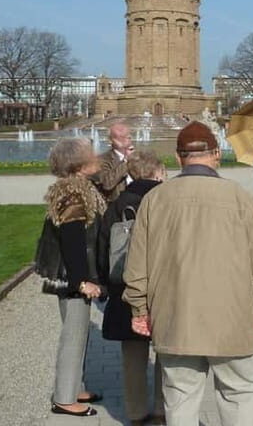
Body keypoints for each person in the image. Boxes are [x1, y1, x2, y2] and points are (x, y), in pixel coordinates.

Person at [123, 121, 253, 426]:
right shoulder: (240, 197)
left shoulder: (155, 199)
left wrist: (139, 308)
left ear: (179, 158)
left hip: (175, 314)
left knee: (180, 395)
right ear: (216, 154)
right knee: (240, 392)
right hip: (232, 315)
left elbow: (137, 264)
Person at [98, 150, 168, 425]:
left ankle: (136, 413)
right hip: (162, 285)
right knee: (166, 353)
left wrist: (106, 282)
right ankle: (163, 409)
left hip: (126, 286)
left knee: (133, 356)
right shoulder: (165, 200)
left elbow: (104, 247)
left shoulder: (118, 203)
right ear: (157, 173)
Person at [44, 137, 107, 417]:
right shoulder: (73, 192)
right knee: (74, 334)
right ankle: (64, 398)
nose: (97, 157)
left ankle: (75, 386)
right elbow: (72, 239)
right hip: (72, 275)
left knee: (79, 333)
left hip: (72, 273)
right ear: (79, 164)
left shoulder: (79, 188)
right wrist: (82, 280)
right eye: (91, 154)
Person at [95, 122, 134, 203]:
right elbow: (107, 184)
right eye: (118, 137)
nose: (123, 139)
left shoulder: (140, 158)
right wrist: (126, 161)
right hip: (116, 206)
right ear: (110, 140)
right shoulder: (102, 159)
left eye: (125, 136)